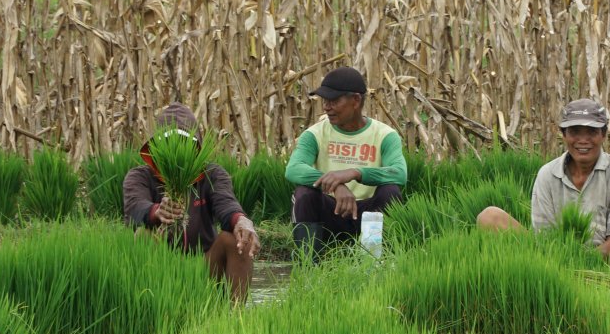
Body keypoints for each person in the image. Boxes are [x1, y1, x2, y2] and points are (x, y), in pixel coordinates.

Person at [478, 98, 610, 274]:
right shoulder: (547, 174)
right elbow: (544, 239)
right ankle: (529, 283)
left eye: (591, 132)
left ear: (604, 134)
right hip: (556, 260)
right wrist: (563, 268)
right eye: (575, 132)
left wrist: (584, 264)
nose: (583, 140)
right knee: (489, 217)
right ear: (563, 134)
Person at [123, 103, 260, 302]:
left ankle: (235, 320)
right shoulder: (140, 177)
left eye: (183, 143)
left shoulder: (212, 175)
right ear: (157, 148)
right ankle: (153, 306)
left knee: (238, 239)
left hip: (204, 266)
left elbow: (226, 205)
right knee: (142, 236)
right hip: (160, 268)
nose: (177, 153)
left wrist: (241, 220)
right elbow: (135, 207)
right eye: (168, 144)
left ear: (195, 147)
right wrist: (156, 211)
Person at [285, 66, 407, 259]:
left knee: (390, 191)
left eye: (334, 100)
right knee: (304, 194)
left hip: (368, 212)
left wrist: (356, 172)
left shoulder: (385, 135)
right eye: (325, 100)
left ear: (356, 100)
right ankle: (307, 265)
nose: (326, 107)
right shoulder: (315, 134)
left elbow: (399, 173)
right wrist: (336, 185)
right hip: (332, 210)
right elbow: (293, 170)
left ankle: (378, 261)